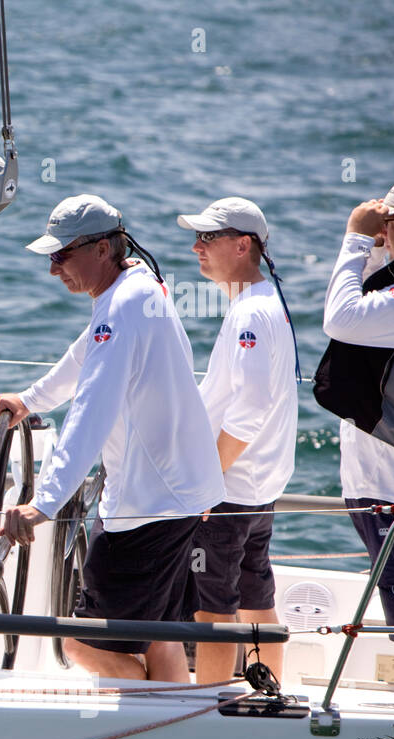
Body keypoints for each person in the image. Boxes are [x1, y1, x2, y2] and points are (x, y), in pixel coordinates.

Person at [0, 194, 225, 681]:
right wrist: (31, 400)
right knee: (159, 637)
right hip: (178, 496)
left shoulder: (121, 308)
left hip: (148, 506)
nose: (54, 268)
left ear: (102, 249)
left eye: (62, 255)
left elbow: (91, 408)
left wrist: (45, 504)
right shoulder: (135, 287)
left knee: (78, 642)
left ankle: (149, 726)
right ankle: (172, 734)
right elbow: (83, 357)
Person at [177, 198, 297, 684]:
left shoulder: (250, 314)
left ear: (242, 244)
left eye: (208, 238)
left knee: (212, 605)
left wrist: (208, 482)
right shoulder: (271, 302)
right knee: (254, 597)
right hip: (260, 487)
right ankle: (271, 695)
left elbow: (247, 412)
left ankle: (207, 708)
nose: (196, 247)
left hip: (229, 488)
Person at [322, 182, 394, 642]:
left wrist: (354, 238)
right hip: (378, 488)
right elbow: (368, 302)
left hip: (392, 492)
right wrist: (372, 249)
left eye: (388, 225)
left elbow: (342, 318)